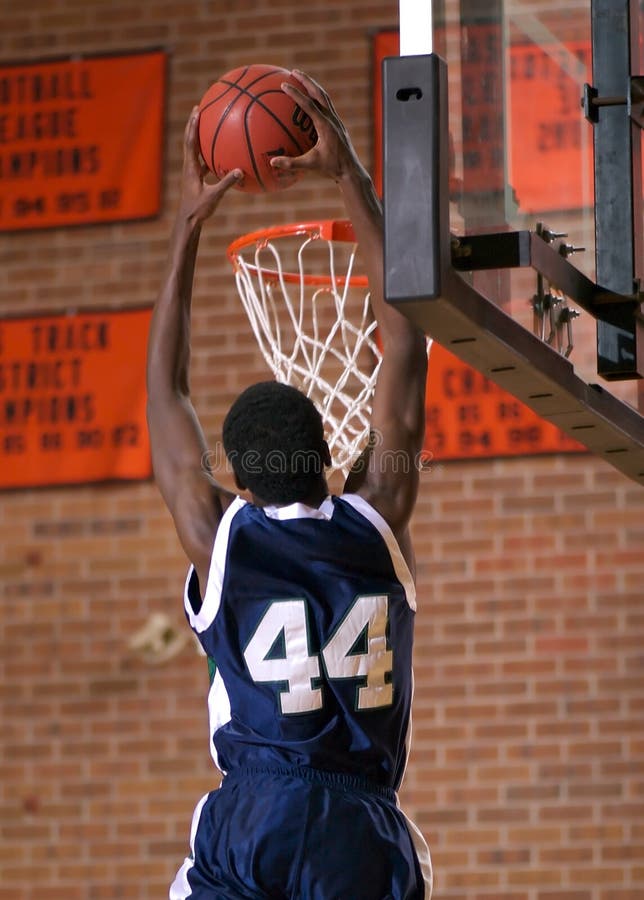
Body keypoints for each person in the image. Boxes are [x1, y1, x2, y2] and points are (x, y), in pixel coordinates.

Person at [147, 70, 432, 900]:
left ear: (234, 475)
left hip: (255, 822)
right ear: (328, 452)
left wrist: (186, 230)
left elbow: (166, 398)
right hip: (362, 829)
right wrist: (350, 174)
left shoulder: (221, 538)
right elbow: (405, 342)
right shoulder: (379, 510)